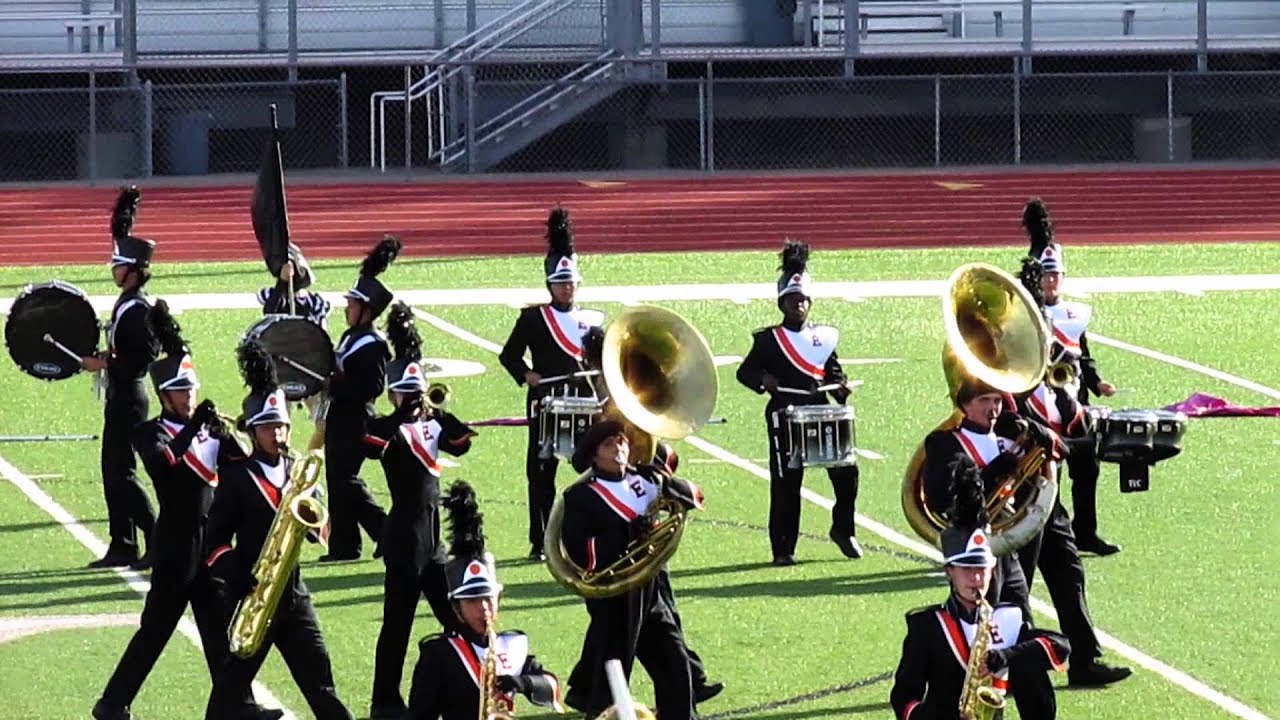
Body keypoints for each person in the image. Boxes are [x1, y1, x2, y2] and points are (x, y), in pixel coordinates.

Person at [92, 301, 277, 720]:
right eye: (181, 390)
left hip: (209, 545)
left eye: (191, 389)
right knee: (154, 633)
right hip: (174, 547)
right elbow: (163, 467)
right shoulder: (149, 431)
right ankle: (112, 703)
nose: (189, 397)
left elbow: (240, 472)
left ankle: (239, 705)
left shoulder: (210, 430)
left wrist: (237, 437)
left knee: (219, 633)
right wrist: (195, 428)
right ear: (163, 395)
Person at [203, 341, 353, 720]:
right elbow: (214, 542)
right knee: (228, 694)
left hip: (294, 598)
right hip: (253, 597)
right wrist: (238, 573)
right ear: (254, 432)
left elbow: (318, 520)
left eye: (282, 426)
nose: (279, 434)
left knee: (322, 689)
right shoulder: (237, 478)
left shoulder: (301, 472)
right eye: (269, 427)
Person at [1005, 256, 1133, 689]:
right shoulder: (1003, 376)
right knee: (1014, 586)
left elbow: (1073, 429)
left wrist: (1102, 438)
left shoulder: (1055, 383)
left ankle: (1084, 660)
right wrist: (1039, 435)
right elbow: (1003, 423)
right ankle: (1012, 664)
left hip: (1046, 496)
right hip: (1014, 497)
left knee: (1067, 568)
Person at [365, 302, 479, 719]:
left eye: (416, 392)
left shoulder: (430, 426)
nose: (413, 399)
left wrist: (437, 411)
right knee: (397, 624)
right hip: (403, 537)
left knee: (454, 618)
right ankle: (384, 699)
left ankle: (461, 690)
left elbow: (464, 441)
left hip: (434, 539)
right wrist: (399, 414)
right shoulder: (388, 428)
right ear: (393, 393)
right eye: (406, 393)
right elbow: (370, 447)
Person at [889, 461, 1071, 720]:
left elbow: (1061, 646)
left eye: (982, 569)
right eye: (966, 569)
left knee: (1032, 671)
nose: (975, 578)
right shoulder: (927, 627)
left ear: (993, 568)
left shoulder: (1006, 619)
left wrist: (1005, 656)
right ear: (949, 571)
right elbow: (904, 700)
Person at [558, 420, 705, 720]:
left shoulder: (646, 481)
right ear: (594, 455)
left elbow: (696, 497)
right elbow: (581, 552)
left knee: (676, 667)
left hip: (650, 593)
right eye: (609, 445)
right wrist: (627, 533)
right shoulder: (582, 497)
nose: (619, 449)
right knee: (611, 680)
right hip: (613, 598)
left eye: (621, 441)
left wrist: (666, 481)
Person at [735, 239, 861, 566]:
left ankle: (843, 529)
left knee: (847, 473)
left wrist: (842, 388)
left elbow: (833, 372)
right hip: (785, 415)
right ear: (782, 303)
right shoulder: (767, 340)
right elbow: (744, 372)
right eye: (793, 300)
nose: (799, 306)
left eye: (803, 300)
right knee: (787, 483)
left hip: (820, 412)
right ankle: (783, 549)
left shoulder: (823, 338)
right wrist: (765, 381)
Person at [403, 480, 565, 719]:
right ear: (456, 608)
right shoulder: (439, 654)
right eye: (472, 602)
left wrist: (522, 683)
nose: (484, 609)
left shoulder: (511, 645)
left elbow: (551, 686)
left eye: (488, 600)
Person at [498, 208, 604, 560]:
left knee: (591, 471)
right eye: (560, 283)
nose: (566, 287)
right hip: (546, 403)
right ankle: (539, 540)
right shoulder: (532, 319)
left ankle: (585, 536)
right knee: (541, 474)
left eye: (571, 282)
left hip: (584, 403)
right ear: (549, 285)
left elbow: (603, 363)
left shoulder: (593, 320)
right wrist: (526, 375)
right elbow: (509, 356)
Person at [1023, 199, 1120, 556]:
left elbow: (1084, 353)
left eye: (1056, 276)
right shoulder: (1026, 311)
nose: (1051, 281)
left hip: (1073, 402)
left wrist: (1096, 383)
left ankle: (1086, 532)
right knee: (1048, 471)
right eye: (1046, 276)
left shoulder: (1071, 313)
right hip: (1037, 404)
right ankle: (1049, 532)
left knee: (1086, 466)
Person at [81, 186, 158, 569]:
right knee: (113, 470)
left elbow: (144, 356)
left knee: (121, 471)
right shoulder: (128, 303)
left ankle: (155, 536)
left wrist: (106, 364)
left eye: (118, 264)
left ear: (132, 271)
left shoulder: (138, 308)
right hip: (122, 394)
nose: (112, 269)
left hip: (131, 395)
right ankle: (122, 543)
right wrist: (106, 358)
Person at [322, 235, 402, 561]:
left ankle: (385, 531)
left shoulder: (373, 344)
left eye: (352, 304)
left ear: (367, 310)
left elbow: (373, 386)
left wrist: (335, 385)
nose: (347, 308)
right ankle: (344, 545)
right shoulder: (351, 335)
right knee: (336, 481)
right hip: (339, 416)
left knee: (345, 482)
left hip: (355, 418)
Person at [255, 249, 331, 328]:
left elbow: (321, 333)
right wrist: (282, 282)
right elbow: (270, 313)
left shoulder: (314, 302)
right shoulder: (272, 295)